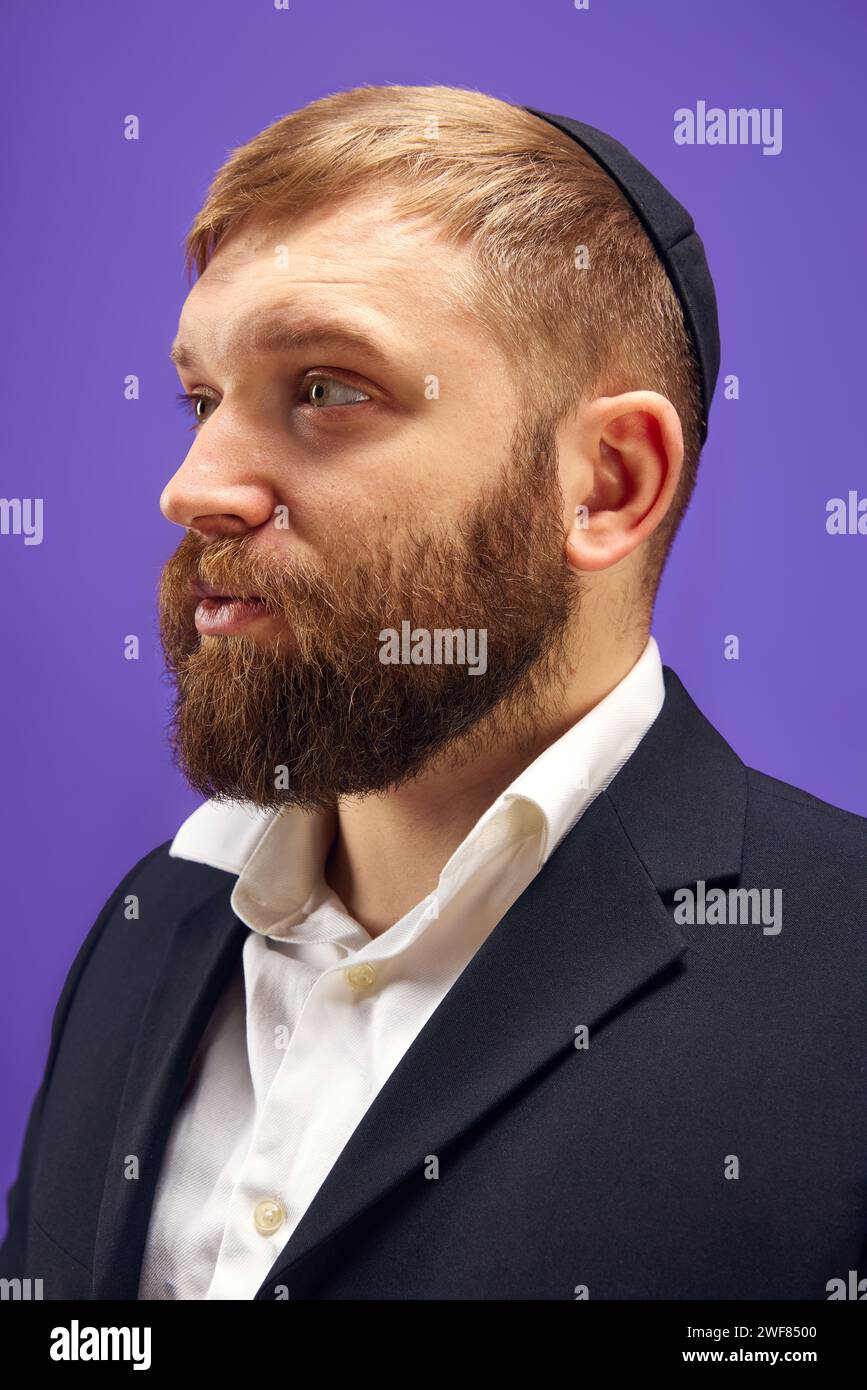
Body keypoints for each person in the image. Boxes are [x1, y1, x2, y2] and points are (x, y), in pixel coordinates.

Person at [2, 83, 866, 1301]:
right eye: (203, 398)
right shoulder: (155, 927)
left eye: (325, 388)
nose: (194, 486)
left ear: (611, 483)